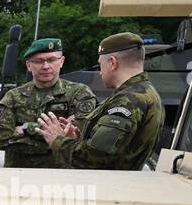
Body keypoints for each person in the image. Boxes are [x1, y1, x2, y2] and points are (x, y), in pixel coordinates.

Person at [39, 32, 164, 170]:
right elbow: (116, 150)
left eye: (100, 65)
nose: (100, 72)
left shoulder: (128, 101)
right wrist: (77, 140)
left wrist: (57, 140)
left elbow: (95, 159)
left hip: (109, 188)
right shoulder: (147, 93)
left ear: (112, 63)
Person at [0, 37, 97, 168]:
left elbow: (83, 133)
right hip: (21, 175)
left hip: (63, 176)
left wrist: (24, 128)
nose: (46, 66)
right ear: (29, 65)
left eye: (52, 60)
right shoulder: (13, 97)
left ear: (62, 62)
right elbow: (2, 139)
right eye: (38, 61)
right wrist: (55, 135)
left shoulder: (80, 93)